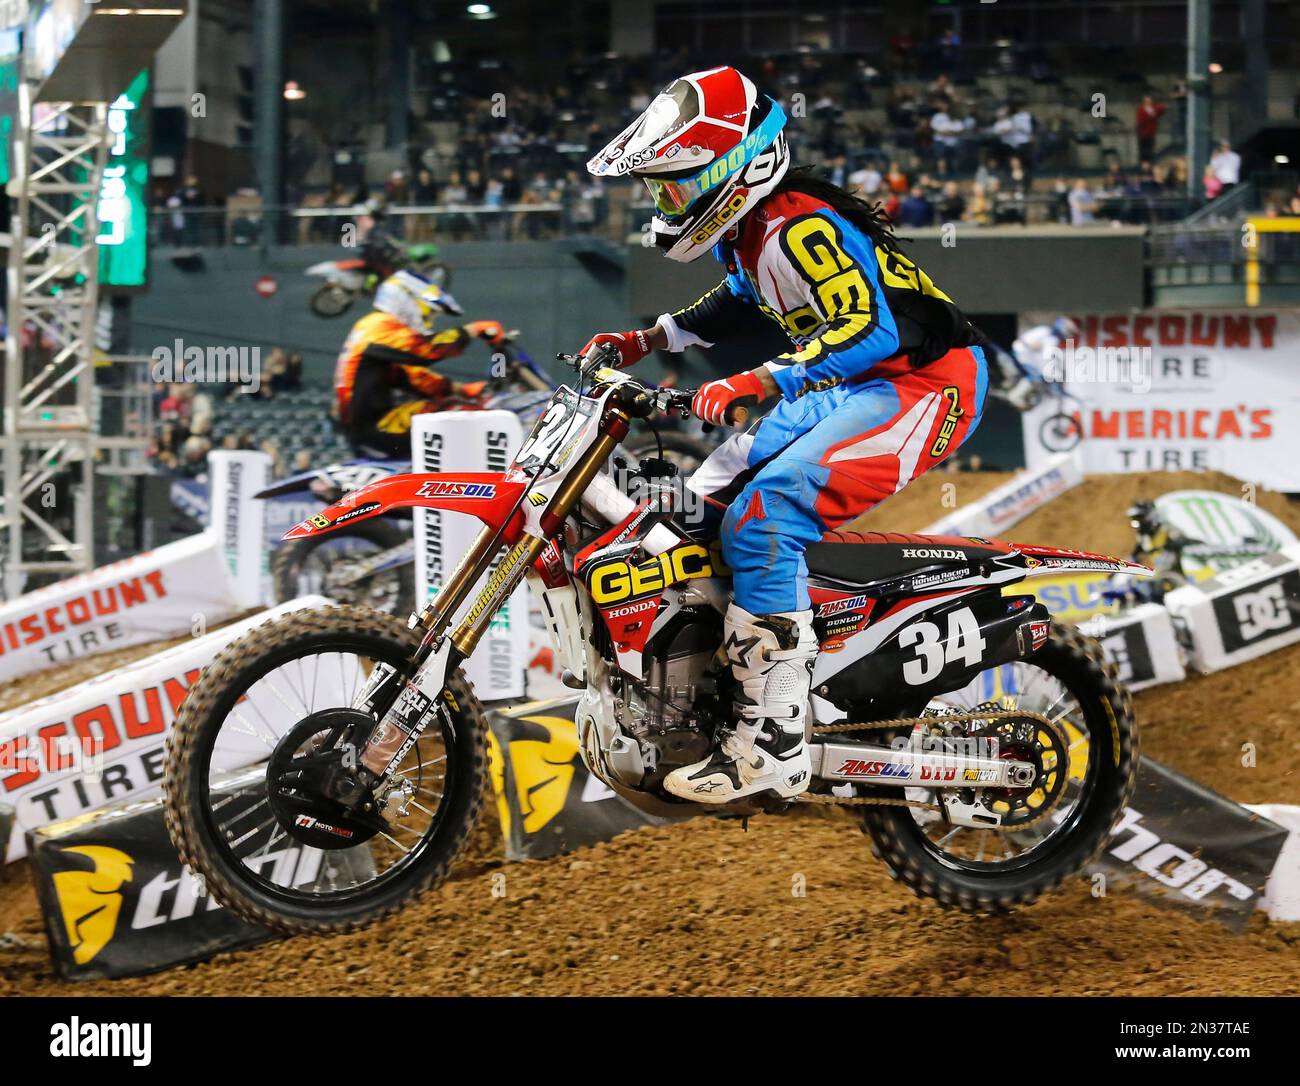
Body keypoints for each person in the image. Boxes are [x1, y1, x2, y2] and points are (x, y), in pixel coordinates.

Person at [581, 66, 990, 804]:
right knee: (697, 505)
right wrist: (652, 335)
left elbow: (874, 327)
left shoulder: (799, 223)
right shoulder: (749, 233)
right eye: (661, 189)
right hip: (856, 386)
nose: (667, 201)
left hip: (924, 385)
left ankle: (773, 737)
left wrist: (762, 381)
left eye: (676, 184)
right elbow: (741, 298)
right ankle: (722, 682)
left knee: (768, 514)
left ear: (734, 165)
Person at [332, 271, 505, 457]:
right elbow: (426, 349)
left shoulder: (372, 327)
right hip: (375, 428)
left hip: (371, 426)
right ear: (407, 300)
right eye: (430, 313)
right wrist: (474, 330)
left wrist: (459, 389)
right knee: (460, 415)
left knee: (452, 408)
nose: (429, 322)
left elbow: (410, 376)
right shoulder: (378, 327)